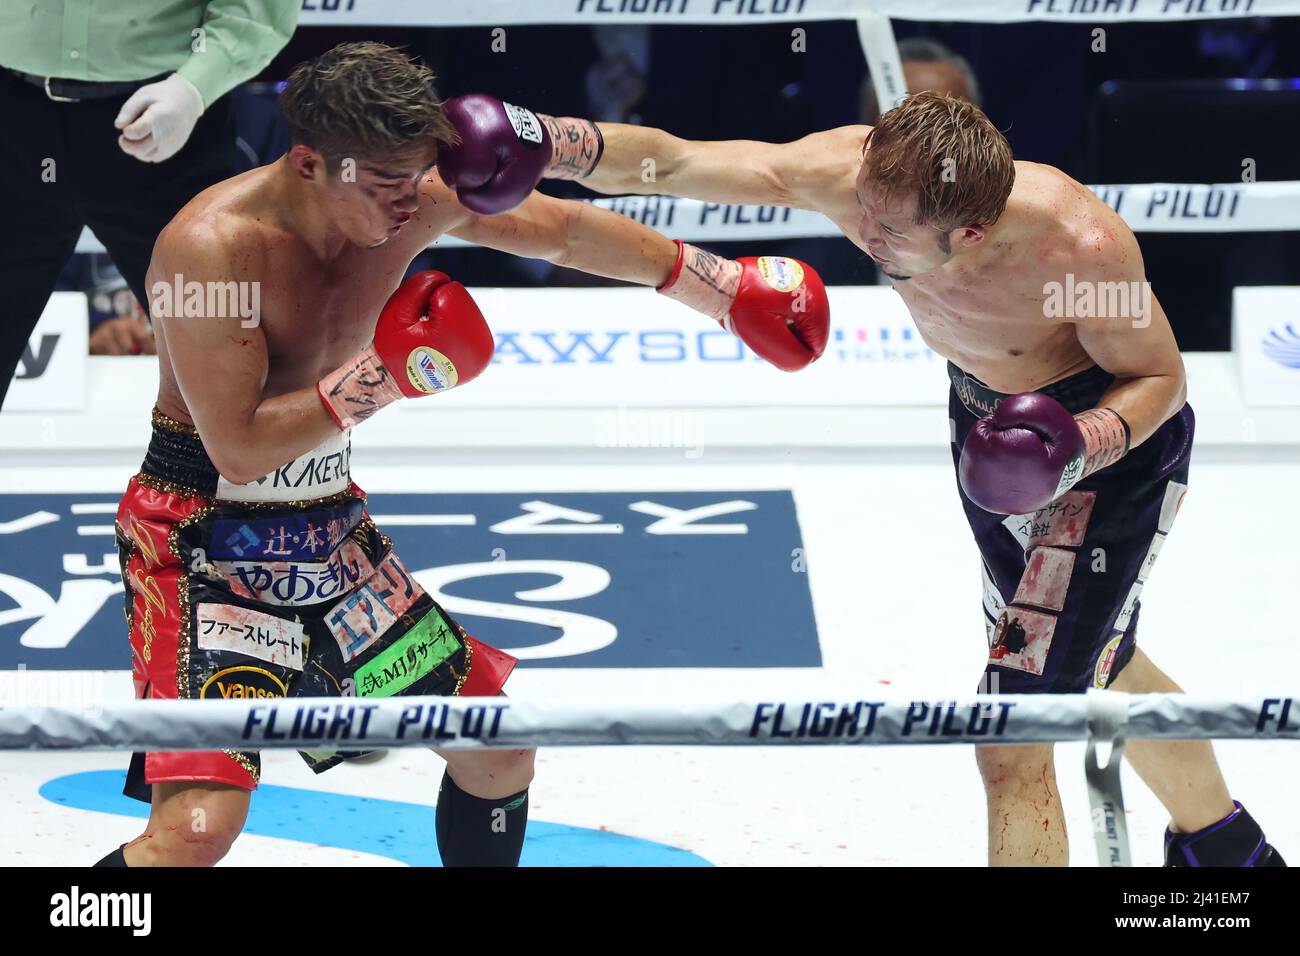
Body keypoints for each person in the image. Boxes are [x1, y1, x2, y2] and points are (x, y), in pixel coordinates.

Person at [456, 88, 1284, 867]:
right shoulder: (854, 176)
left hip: (1105, 458)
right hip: (988, 433)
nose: (866, 236)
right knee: (1096, 658)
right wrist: (547, 139)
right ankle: (1228, 853)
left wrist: (1075, 444)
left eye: (890, 231)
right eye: (866, 208)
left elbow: (1161, 380)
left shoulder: (1079, 247)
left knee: (1013, 722)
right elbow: (672, 163)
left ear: (969, 233)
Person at [100, 42, 829, 868]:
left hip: (327, 527)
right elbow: (235, 446)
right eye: (385, 186)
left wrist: (721, 291)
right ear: (309, 163)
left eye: (418, 180)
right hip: (199, 540)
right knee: (197, 832)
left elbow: (567, 230)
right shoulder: (209, 250)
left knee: (497, 749)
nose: (413, 206)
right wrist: (386, 376)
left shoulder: (406, 192)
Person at [0, 0, 299, 410]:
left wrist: (193, 89)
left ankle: (242, 472)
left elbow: (259, 8)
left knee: (233, 370)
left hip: (166, 112)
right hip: (12, 107)